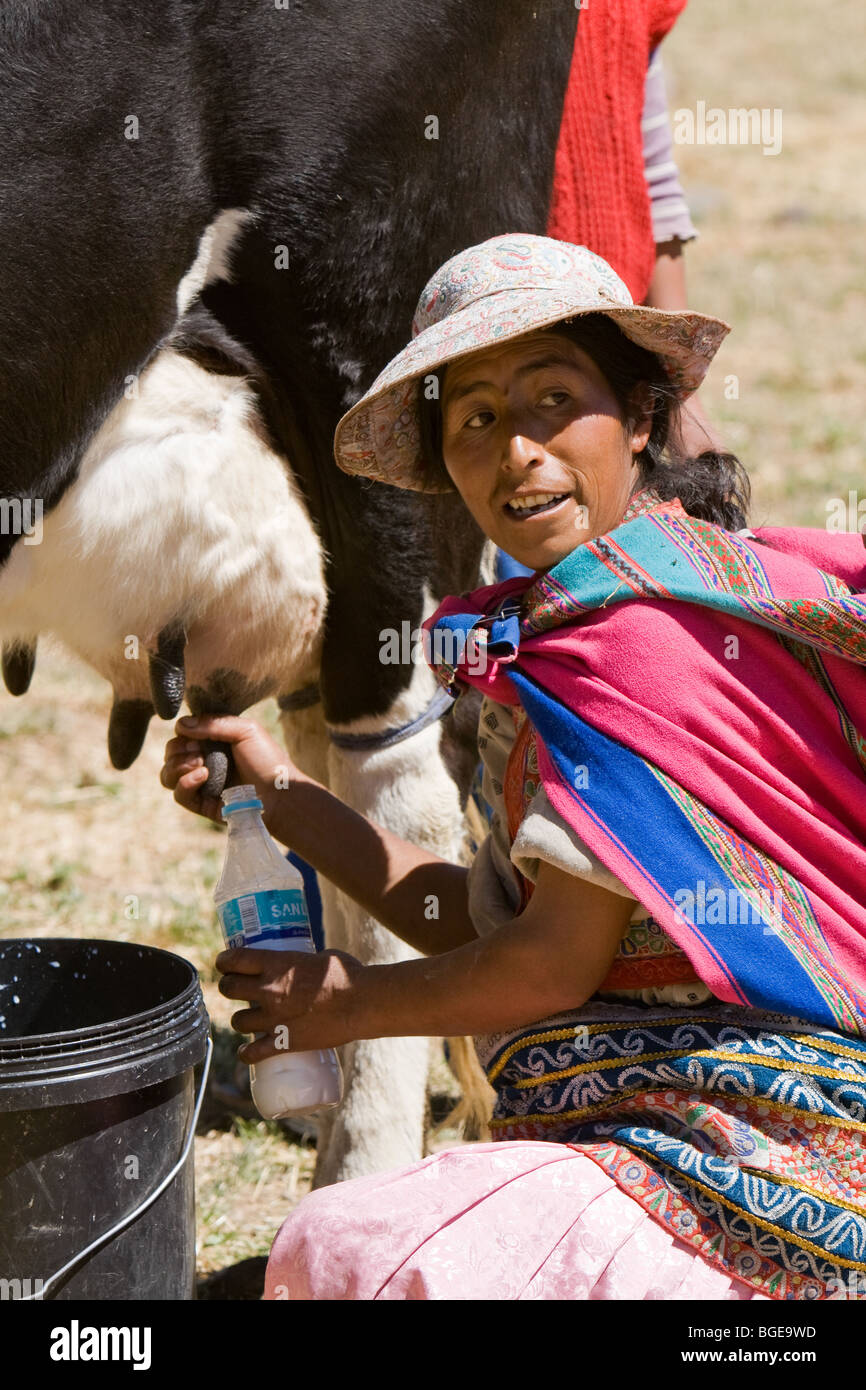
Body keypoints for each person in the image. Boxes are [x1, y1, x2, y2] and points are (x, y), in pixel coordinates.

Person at [161, 235, 866, 1301]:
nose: (517, 448)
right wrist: (288, 801)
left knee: (340, 1253)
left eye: (550, 399)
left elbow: (544, 968)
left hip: (771, 1156)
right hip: (691, 1124)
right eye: (476, 419)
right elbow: (502, 922)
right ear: (446, 463)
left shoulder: (630, 649)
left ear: (637, 418)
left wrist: (346, 1000)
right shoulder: (603, 615)